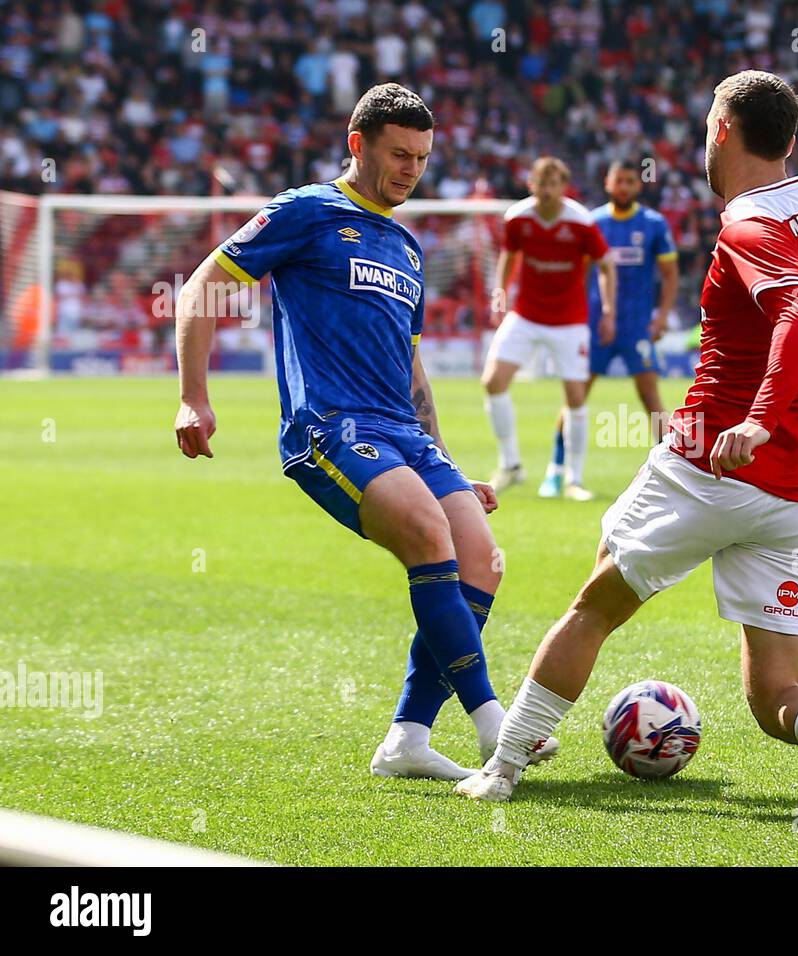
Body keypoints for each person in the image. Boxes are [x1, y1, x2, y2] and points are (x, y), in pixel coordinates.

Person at [456, 71, 798, 828]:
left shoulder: (749, 226)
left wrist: (756, 419)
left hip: (714, 466)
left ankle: (505, 764)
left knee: (594, 608)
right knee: (776, 694)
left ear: (723, 129)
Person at [172, 83, 555, 782]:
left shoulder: (407, 247)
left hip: (406, 434)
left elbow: (412, 367)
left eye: (422, 158)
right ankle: (497, 727)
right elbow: (202, 286)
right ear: (359, 143)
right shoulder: (307, 211)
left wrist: (445, 460)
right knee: (429, 538)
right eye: (399, 154)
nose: (412, 170)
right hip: (331, 427)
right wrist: (193, 397)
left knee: (481, 559)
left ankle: (407, 738)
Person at [538, 160, 680, 498]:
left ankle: (675, 470)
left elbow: (670, 275)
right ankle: (556, 471)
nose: (624, 187)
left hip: (637, 325)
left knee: (651, 396)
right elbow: (577, 272)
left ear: (638, 185)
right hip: (592, 324)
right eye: (619, 181)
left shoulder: (653, 224)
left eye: (631, 181)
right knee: (576, 396)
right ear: (607, 183)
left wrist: (661, 317)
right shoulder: (593, 223)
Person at [481, 157, 617, 499]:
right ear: (531, 185)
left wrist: (609, 310)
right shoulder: (518, 218)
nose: (546, 190)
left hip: (569, 321)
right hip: (526, 314)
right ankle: (511, 465)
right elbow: (508, 258)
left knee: (574, 398)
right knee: (493, 381)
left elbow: (606, 265)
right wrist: (500, 296)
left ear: (563, 187)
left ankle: (574, 479)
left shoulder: (581, 222)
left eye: (553, 183)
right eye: (540, 183)